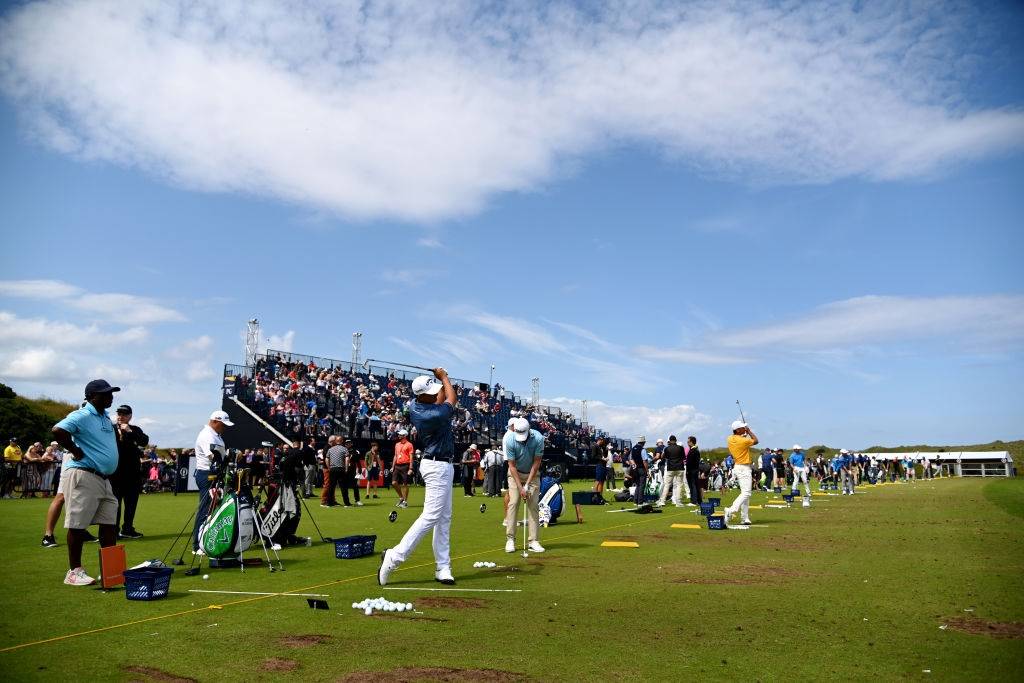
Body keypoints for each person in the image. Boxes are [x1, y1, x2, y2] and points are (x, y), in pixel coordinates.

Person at [379, 368, 458, 587]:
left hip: (441, 465)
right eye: (431, 392)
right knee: (431, 516)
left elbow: (440, 397)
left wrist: (440, 381)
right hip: (437, 466)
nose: (436, 394)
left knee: (444, 518)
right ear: (423, 395)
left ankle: (443, 567)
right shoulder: (431, 414)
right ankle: (394, 557)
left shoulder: (416, 405)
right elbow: (451, 398)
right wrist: (444, 377)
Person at [50, 379, 121, 585]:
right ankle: (74, 571)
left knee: (109, 523)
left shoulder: (106, 418)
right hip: (84, 474)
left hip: (103, 478)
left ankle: (111, 570)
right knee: (78, 524)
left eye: (111, 393)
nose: (110, 396)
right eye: (105, 394)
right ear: (91, 397)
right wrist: (75, 450)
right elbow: (58, 430)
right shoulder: (82, 414)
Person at [192, 410, 234, 554]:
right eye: (223, 424)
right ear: (215, 421)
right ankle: (197, 545)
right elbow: (213, 457)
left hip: (214, 474)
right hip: (207, 475)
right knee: (205, 509)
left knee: (213, 509)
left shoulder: (215, 435)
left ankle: (207, 539)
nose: (225, 427)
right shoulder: (207, 435)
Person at [502, 417, 545, 553]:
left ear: (529, 430)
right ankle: (510, 539)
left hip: (532, 475)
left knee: (533, 506)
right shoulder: (509, 439)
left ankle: (533, 541)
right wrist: (521, 487)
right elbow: (512, 466)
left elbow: (536, 463)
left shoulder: (538, 438)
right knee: (513, 502)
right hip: (515, 474)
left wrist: (527, 485)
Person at [111, 404, 148, 539]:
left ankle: (127, 528)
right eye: (119, 414)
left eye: (124, 414)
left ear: (130, 416)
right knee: (115, 504)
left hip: (133, 474)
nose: (121, 416)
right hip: (115, 474)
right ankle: (113, 531)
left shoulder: (135, 429)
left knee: (131, 504)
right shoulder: (111, 429)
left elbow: (144, 441)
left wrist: (129, 432)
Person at [722, 421, 758, 528]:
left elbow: (739, 438)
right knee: (747, 493)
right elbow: (756, 440)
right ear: (738, 430)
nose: (744, 428)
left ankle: (745, 518)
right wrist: (749, 431)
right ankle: (731, 510)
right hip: (744, 468)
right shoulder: (743, 440)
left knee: (744, 494)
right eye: (742, 427)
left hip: (737, 467)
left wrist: (744, 432)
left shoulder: (730, 438)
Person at [657, 435, 686, 507]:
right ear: (676, 440)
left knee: (667, 485)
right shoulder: (681, 448)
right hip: (679, 467)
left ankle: (662, 501)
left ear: (669, 441)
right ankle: (678, 502)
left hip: (670, 468)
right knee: (679, 485)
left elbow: (663, 457)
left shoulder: (667, 448)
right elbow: (684, 457)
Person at [392, 429, 413, 508]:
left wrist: (411, 468)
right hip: (397, 465)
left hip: (406, 466)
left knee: (405, 484)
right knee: (394, 483)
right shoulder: (397, 444)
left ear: (404, 436)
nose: (398, 436)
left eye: (400, 435)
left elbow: (411, 456)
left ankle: (405, 501)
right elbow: (395, 455)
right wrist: (392, 466)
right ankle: (401, 498)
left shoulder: (409, 444)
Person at [341, 438, 363, 507]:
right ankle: (347, 501)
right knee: (345, 487)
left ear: (351, 444)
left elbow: (358, 462)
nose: (348, 444)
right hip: (344, 471)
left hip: (352, 471)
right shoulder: (342, 451)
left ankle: (357, 500)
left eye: (349, 443)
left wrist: (359, 471)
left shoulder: (355, 452)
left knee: (355, 486)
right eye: (346, 443)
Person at [629, 436, 649, 506]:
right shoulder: (642, 449)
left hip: (635, 469)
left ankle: (635, 501)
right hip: (641, 468)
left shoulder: (633, 448)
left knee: (638, 485)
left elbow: (630, 459)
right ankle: (640, 502)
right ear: (643, 442)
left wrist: (634, 466)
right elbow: (645, 461)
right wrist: (647, 471)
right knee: (642, 485)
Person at [685, 436, 702, 506]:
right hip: (695, 470)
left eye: (688, 442)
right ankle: (698, 500)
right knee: (696, 485)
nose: (687, 443)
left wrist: (688, 471)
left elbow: (690, 462)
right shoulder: (696, 450)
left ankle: (693, 501)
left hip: (692, 470)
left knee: (693, 486)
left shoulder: (693, 451)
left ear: (691, 442)